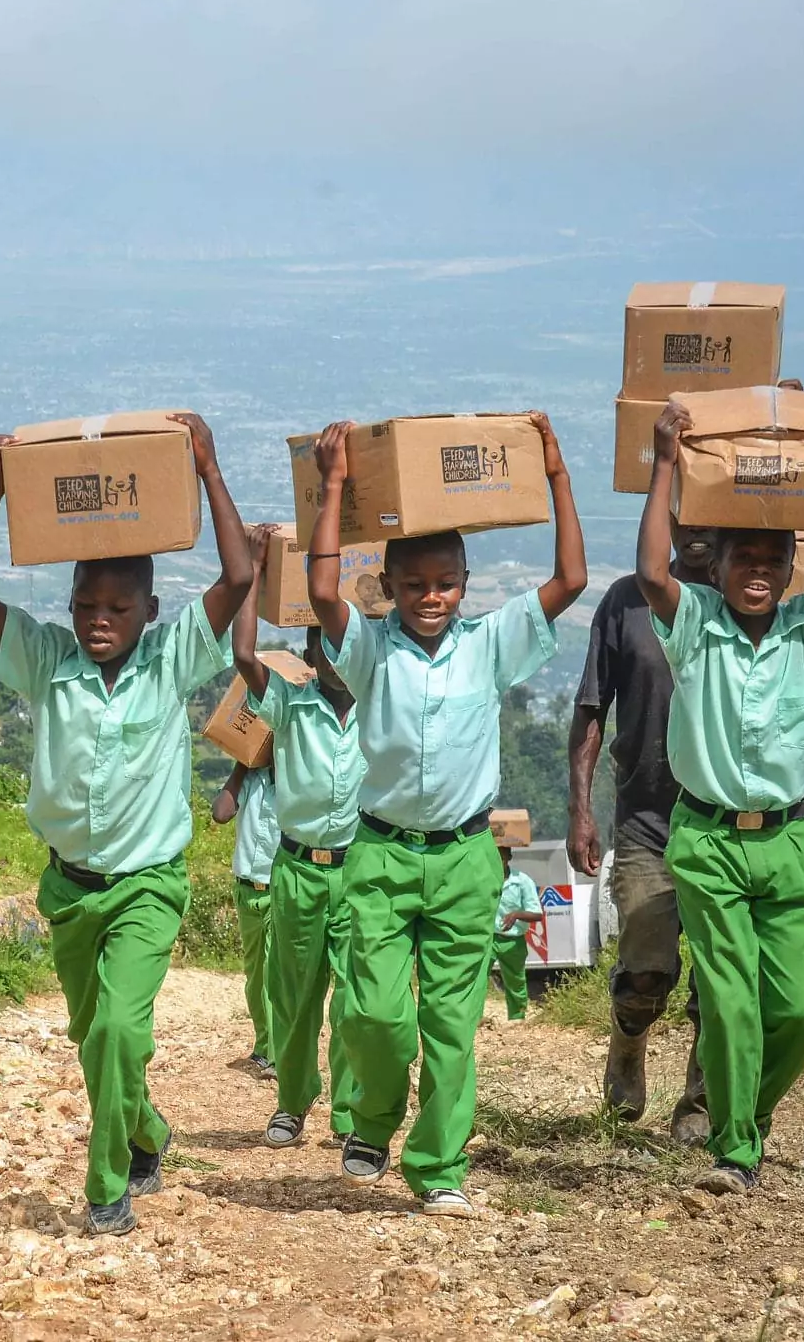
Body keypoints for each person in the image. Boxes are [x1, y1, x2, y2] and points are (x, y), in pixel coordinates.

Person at [0, 412, 253, 1236]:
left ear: (149, 609)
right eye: (85, 602)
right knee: (98, 1043)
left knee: (122, 1026)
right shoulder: (48, 660)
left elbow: (236, 578)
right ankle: (148, 1131)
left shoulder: (173, 660)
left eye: (118, 606)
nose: (98, 618)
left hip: (148, 886)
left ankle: (106, 1185)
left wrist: (209, 471)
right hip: (69, 888)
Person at [308, 411, 587, 1217]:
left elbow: (568, 579)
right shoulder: (367, 648)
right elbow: (323, 588)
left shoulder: (489, 643)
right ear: (390, 586)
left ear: (465, 584)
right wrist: (333, 485)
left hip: (466, 858)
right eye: (415, 584)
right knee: (375, 1013)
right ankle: (371, 1118)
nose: (431, 597)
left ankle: (437, 1167)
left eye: (445, 583)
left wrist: (557, 475)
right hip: (382, 855)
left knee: (452, 1024)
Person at [636, 398, 804, 1194]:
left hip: (790, 843)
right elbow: (651, 571)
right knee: (729, 1001)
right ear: (713, 567)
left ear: (790, 570)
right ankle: (737, 1148)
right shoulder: (695, 624)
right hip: (709, 838)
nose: (756, 572)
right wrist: (664, 464)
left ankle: (745, 1110)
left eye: (770, 561)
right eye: (740, 558)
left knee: (795, 1008)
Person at [567, 520, 713, 1141]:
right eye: (687, 517)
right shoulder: (627, 600)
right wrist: (581, 810)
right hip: (647, 820)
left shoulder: (748, 601)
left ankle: (702, 1100)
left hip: (723, 827)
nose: (699, 531)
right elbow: (591, 710)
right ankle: (628, 1045)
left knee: (721, 973)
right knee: (647, 968)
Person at [233, 524, 367, 1152]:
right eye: (323, 647)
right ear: (311, 655)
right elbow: (243, 657)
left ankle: (346, 1114)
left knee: (351, 1001)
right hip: (295, 869)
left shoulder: (379, 702)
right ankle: (291, 1103)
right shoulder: (290, 703)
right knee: (294, 993)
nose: (335, 659)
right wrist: (256, 571)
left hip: (358, 870)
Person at [211, 757, 279, 1077]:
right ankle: (263, 1045)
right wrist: (242, 763)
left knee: (274, 973)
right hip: (247, 890)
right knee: (255, 978)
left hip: (279, 892)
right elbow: (221, 813)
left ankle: (278, 1052)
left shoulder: (294, 779)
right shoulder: (249, 779)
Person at [492, 845, 543, 1022]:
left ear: (509, 857)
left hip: (513, 940)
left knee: (515, 980)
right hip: (488, 938)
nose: (498, 860)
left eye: (502, 856)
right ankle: (475, 1018)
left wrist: (516, 915)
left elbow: (537, 914)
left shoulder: (522, 881)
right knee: (476, 977)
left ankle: (517, 1017)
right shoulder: (484, 880)